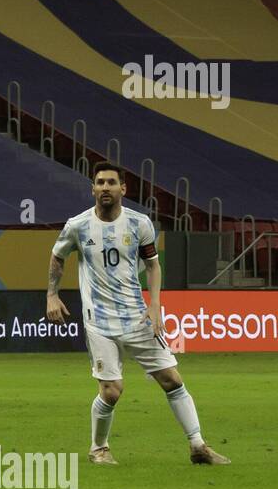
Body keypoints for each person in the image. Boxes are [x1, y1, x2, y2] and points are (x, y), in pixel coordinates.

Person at [47, 163, 229, 466]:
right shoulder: (77, 225)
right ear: (93, 189)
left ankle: (198, 446)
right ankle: (98, 449)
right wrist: (51, 294)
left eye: (111, 183)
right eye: (100, 183)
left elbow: (153, 265)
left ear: (123, 189)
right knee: (111, 390)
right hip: (99, 321)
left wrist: (155, 304)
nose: (105, 187)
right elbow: (57, 257)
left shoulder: (140, 224)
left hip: (137, 318)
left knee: (172, 379)